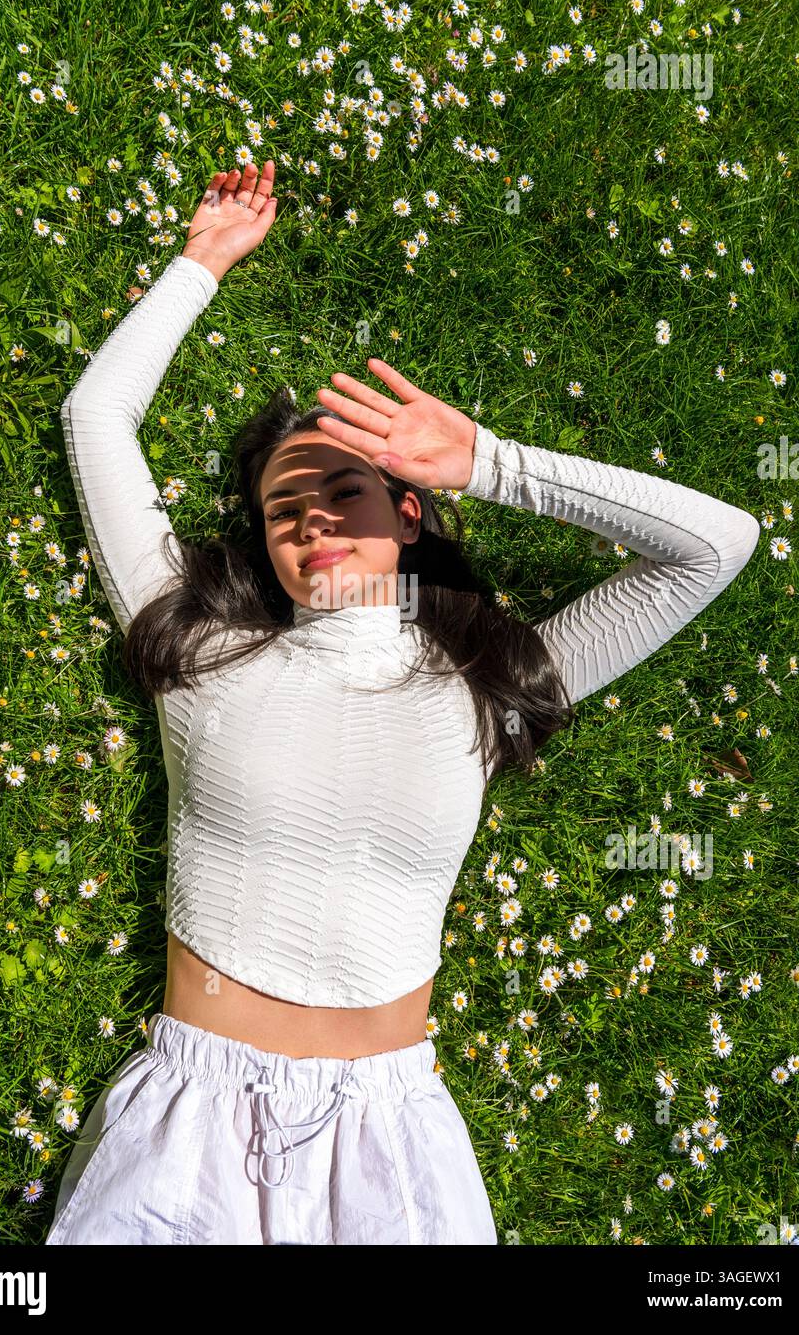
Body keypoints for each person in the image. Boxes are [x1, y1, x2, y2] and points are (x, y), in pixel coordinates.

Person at [44, 160, 760, 1245]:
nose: (313, 518)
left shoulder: (488, 690)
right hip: (190, 1136)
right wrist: (201, 262)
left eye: (345, 489)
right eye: (284, 504)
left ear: (410, 512)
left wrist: (494, 462)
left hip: (392, 1146)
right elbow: (95, 417)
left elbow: (717, 545)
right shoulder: (204, 653)